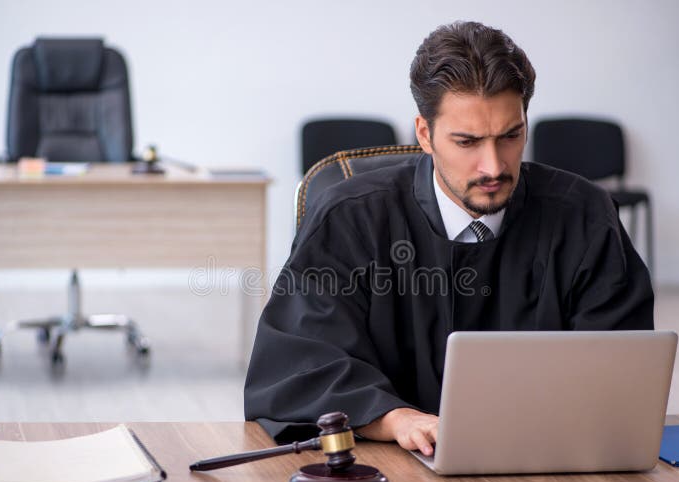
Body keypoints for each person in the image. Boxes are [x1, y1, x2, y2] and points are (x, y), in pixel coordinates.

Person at [244, 21, 653, 456]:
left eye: (510, 136)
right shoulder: (349, 217)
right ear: (425, 134)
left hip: (547, 463)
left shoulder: (584, 215)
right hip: (386, 467)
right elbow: (298, 363)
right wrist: (393, 418)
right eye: (467, 142)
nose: (493, 166)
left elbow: (619, 367)